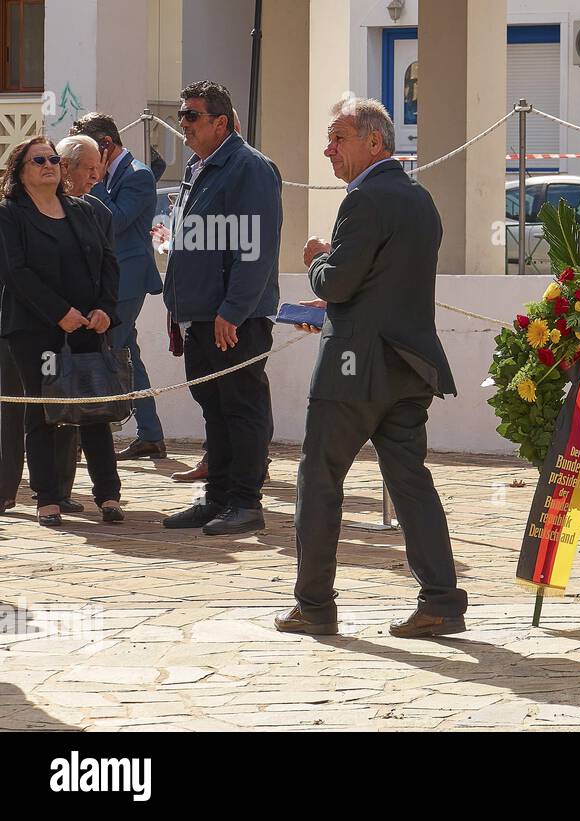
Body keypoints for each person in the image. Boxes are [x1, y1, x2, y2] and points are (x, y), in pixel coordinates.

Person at [273, 96, 461, 638]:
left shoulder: (364, 200)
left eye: (338, 138)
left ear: (373, 142)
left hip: (354, 369)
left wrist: (316, 260)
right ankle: (442, 601)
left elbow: (338, 281)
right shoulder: (420, 199)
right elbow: (381, 284)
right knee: (411, 484)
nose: (328, 149)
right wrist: (334, 301)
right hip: (408, 366)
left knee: (319, 477)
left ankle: (314, 605)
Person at [159, 80, 282, 536]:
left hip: (234, 319)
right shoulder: (199, 166)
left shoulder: (249, 168)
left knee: (241, 409)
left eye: (192, 116)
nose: (183, 125)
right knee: (213, 407)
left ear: (221, 122)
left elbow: (255, 247)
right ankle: (217, 498)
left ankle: (246, 502)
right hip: (199, 314)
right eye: (182, 115)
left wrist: (233, 309)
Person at [0, 136, 124, 527]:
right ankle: (48, 498)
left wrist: (105, 307)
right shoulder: (10, 213)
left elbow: (107, 261)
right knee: (43, 411)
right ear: (20, 172)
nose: (49, 165)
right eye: (39, 160)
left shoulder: (82, 210)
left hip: (88, 324)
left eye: (53, 158)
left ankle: (108, 495)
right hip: (36, 328)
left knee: (95, 410)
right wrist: (59, 313)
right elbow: (16, 272)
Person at [69, 112, 169, 461]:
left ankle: (89, 432)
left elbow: (116, 222)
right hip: (112, 281)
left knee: (104, 350)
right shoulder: (116, 173)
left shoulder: (139, 176)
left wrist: (93, 182)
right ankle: (150, 434)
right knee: (127, 352)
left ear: (107, 144)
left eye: (94, 157)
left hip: (128, 281)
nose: (92, 167)